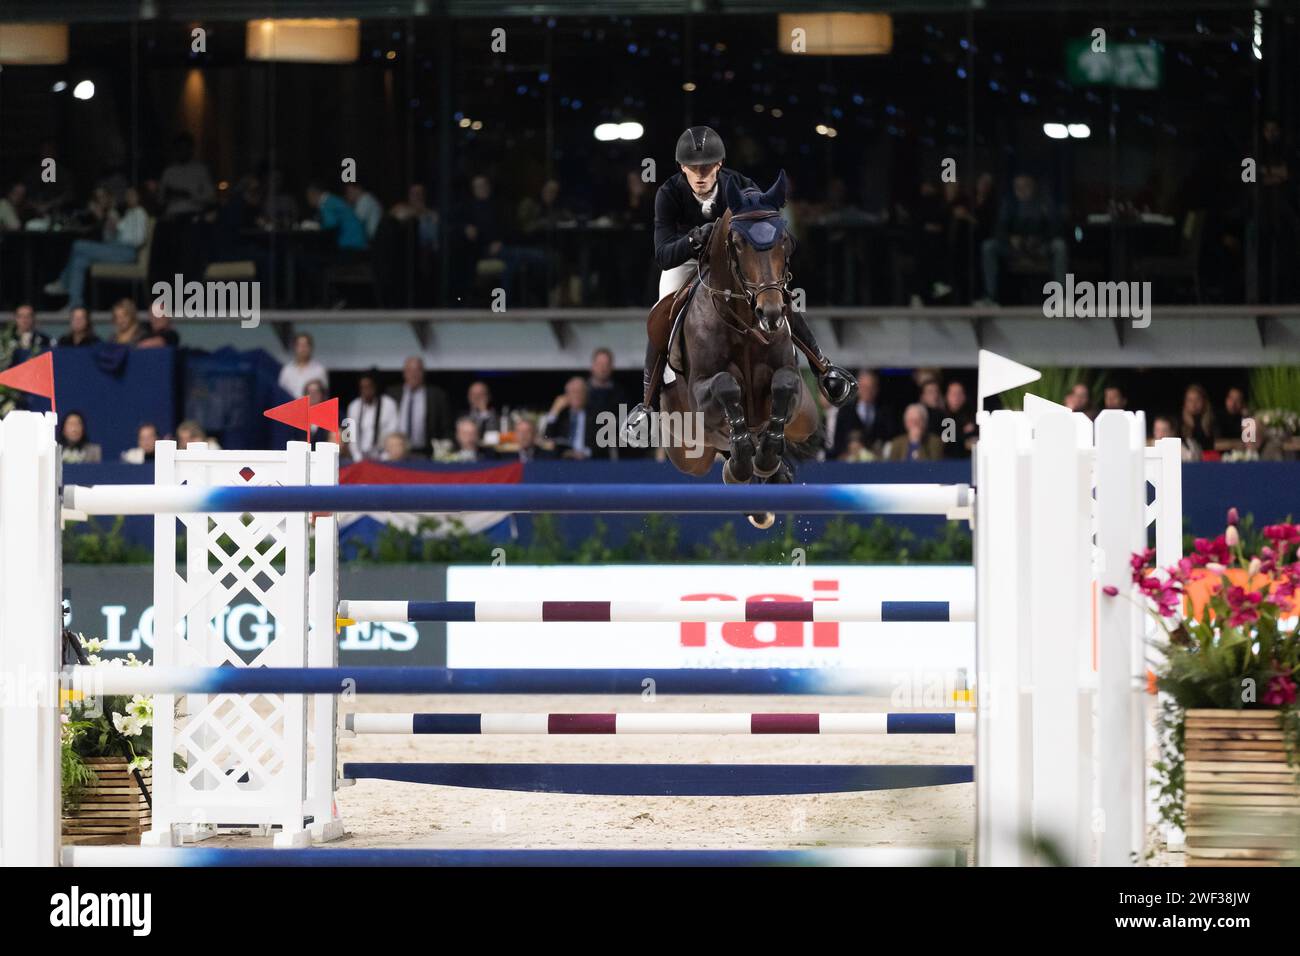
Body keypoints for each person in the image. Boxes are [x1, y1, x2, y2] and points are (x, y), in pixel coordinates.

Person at [625, 126, 855, 438]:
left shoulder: (741, 185)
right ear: (682, 168)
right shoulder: (668, 194)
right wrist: (694, 238)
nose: (701, 175)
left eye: (707, 167)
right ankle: (647, 404)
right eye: (693, 169)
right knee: (664, 312)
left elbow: (766, 229)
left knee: (778, 297)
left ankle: (824, 369)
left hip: (731, 261)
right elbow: (664, 255)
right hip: (687, 261)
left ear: (719, 165)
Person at [43, 186, 149, 309]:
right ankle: (75, 303)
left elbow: (138, 239)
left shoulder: (140, 213)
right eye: (128, 194)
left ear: (139, 197)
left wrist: (118, 227)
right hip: (116, 248)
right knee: (79, 261)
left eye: (132, 195)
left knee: (78, 245)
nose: (128, 197)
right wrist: (111, 228)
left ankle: (64, 282)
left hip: (126, 252)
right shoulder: (128, 213)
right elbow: (109, 238)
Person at [979, 174, 1066, 305]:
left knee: (1060, 246)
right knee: (989, 246)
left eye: (1025, 186)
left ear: (1033, 188)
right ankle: (990, 297)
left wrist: (1038, 239)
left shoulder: (1044, 203)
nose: (1021, 190)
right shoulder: (1009, 204)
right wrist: (1010, 239)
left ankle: (1061, 298)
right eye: (1018, 187)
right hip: (1014, 249)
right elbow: (999, 229)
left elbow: (1055, 228)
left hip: (1039, 248)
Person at [386, 356, 453, 455]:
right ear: (404, 373)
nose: (413, 374)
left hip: (426, 453)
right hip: (396, 453)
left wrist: (443, 451)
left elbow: (446, 427)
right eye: (410, 371)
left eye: (417, 370)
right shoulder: (392, 394)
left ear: (423, 373)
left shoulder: (437, 395)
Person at [828, 369, 895, 459]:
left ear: (877, 389)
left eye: (872, 387)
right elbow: (838, 443)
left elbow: (888, 440)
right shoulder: (845, 412)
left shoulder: (884, 412)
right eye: (865, 387)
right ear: (858, 389)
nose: (868, 391)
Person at [344, 372, 399, 461]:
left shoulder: (389, 404)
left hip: (384, 457)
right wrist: (357, 457)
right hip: (359, 458)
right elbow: (350, 436)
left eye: (369, 386)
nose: (366, 390)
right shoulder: (353, 406)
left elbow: (393, 433)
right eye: (363, 387)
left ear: (375, 387)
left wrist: (384, 457)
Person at [543, 376, 597, 459]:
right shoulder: (561, 416)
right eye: (573, 392)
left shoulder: (595, 415)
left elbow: (603, 445)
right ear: (566, 395)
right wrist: (554, 411)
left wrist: (585, 453)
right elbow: (547, 438)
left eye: (580, 392)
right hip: (563, 461)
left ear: (586, 394)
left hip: (589, 461)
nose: (577, 395)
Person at [278, 333, 329, 398]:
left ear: (311, 347)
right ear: (295, 347)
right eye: (300, 345)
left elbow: (324, 396)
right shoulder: (287, 370)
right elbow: (280, 394)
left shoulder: (319, 370)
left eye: (306, 345)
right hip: (290, 407)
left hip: (312, 407)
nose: (303, 348)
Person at [6, 304, 51, 368]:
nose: (24, 320)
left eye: (28, 316)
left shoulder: (45, 340)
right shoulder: (5, 341)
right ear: (15, 318)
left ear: (34, 318)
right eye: (21, 316)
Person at [943, 380, 976, 458]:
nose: (956, 397)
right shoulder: (940, 417)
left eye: (959, 393)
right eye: (953, 394)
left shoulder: (973, 417)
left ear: (964, 396)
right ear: (947, 396)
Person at [1180, 384, 1216, 453]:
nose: (1194, 404)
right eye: (1190, 400)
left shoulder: (1213, 422)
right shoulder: (1179, 422)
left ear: (1205, 401)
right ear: (1185, 403)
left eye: (1197, 399)